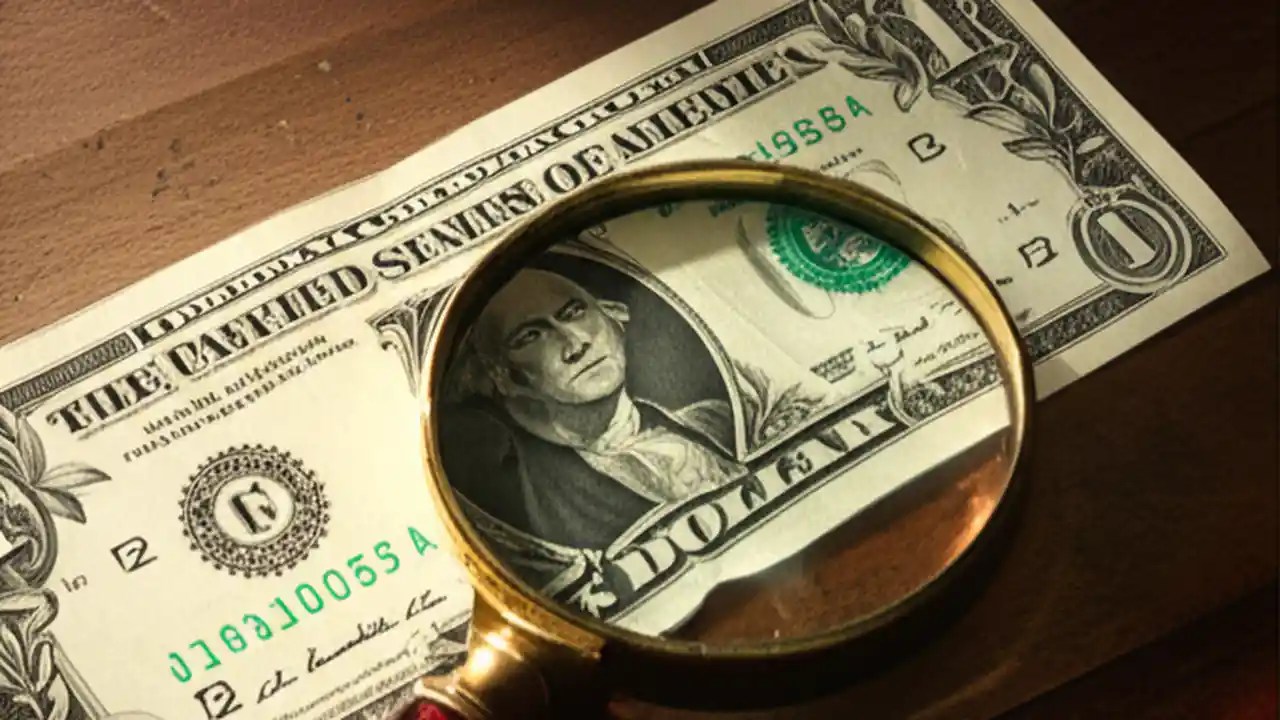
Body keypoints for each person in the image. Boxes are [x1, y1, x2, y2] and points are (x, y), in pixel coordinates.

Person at [440, 267, 743, 554]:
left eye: (574, 313)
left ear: (613, 317)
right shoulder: (534, 513)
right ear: (502, 376)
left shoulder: (717, 420)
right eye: (531, 336)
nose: (575, 345)